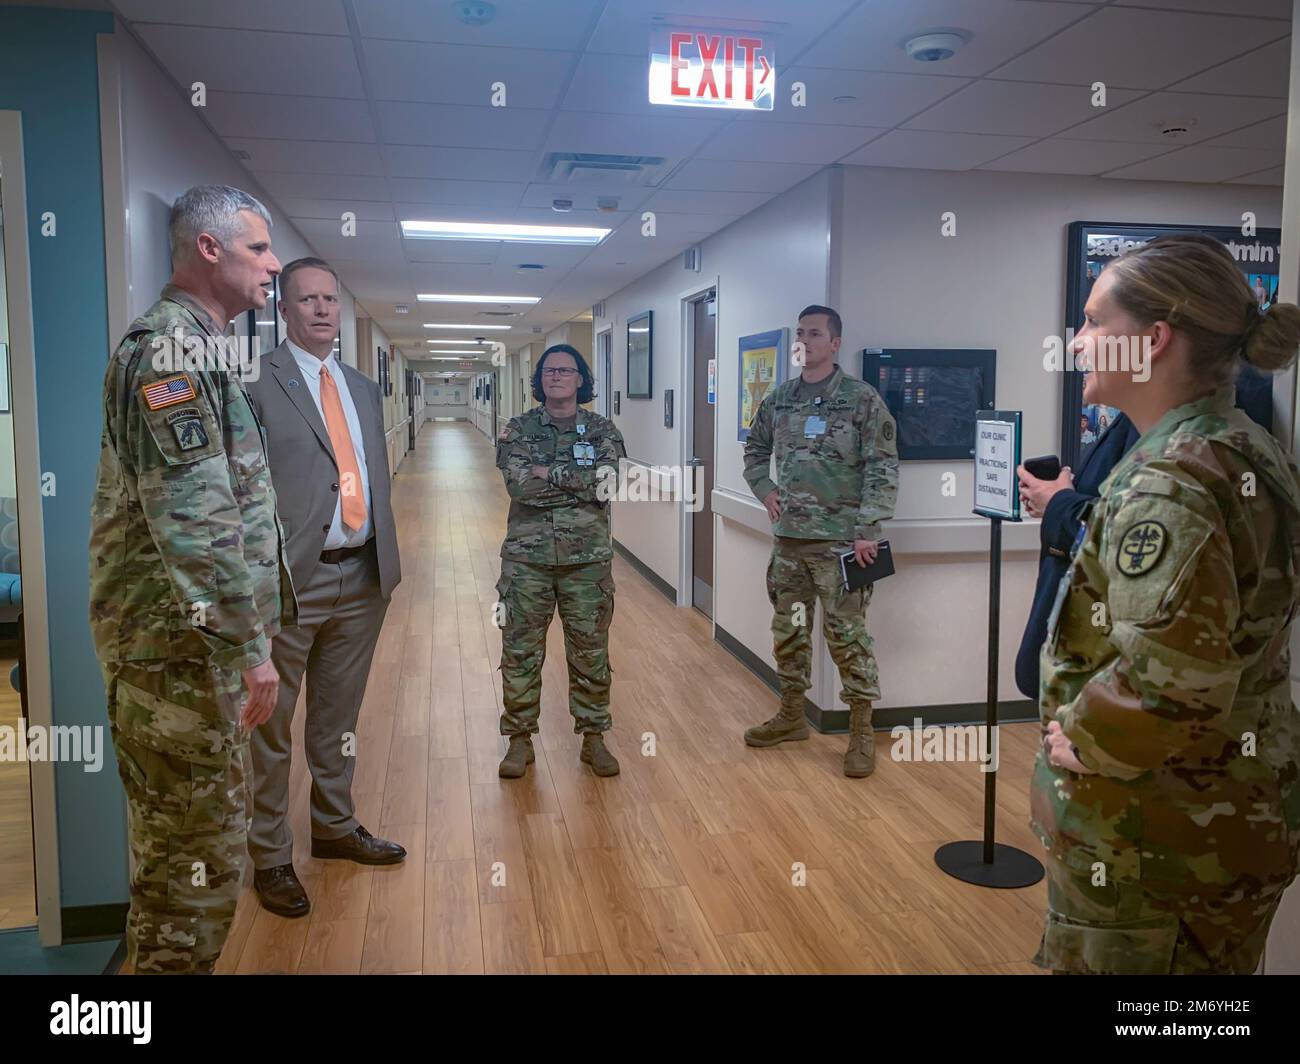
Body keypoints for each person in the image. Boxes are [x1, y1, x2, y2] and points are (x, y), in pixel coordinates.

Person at [1033, 234, 1300, 974]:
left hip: (1161, 841)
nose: (1078, 341)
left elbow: (1173, 683)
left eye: (1093, 322)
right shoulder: (1239, 446)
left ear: (1152, 341)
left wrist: (1084, 735)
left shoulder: (1171, 480)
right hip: (1225, 824)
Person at [89, 185, 293, 974]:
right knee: (191, 875)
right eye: (258, 249)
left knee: (191, 857)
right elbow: (196, 526)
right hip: (176, 655)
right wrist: (250, 647)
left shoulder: (201, 349)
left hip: (192, 650)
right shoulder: (166, 352)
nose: (272, 265)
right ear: (208, 250)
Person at [244, 257, 405, 919]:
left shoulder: (363, 387)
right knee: (272, 727)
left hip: (362, 575)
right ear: (283, 309)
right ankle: (270, 855)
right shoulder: (257, 385)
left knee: (338, 720)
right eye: (306, 300)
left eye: (329, 300)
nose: (320, 310)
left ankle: (335, 828)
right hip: (292, 581)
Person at [741, 305, 899, 777]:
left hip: (841, 547)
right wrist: (764, 488)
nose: (804, 340)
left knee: (847, 638)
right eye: (800, 333)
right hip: (789, 544)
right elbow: (754, 451)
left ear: (835, 343)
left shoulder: (860, 400)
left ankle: (861, 733)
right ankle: (792, 716)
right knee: (789, 633)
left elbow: (883, 466)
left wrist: (869, 528)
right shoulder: (780, 399)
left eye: (814, 333)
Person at [493, 344, 626, 778]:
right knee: (520, 651)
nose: (556, 377)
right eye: (549, 371)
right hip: (527, 561)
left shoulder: (603, 430)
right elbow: (520, 490)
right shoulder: (518, 429)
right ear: (540, 380)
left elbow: (607, 486)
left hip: (586, 563)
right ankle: (518, 740)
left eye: (566, 370)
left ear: (581, 379)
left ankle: (594, 738)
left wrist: (547, 472)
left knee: (590, 651)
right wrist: (577, 483)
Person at [1014, 412, 1140, 700]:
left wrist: (1059, 503)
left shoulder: (1178, 442)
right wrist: (1057, 499)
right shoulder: (1135, 425)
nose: (1085, 363)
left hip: (1112, 666)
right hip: (1090, 660)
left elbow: (1130, 537)